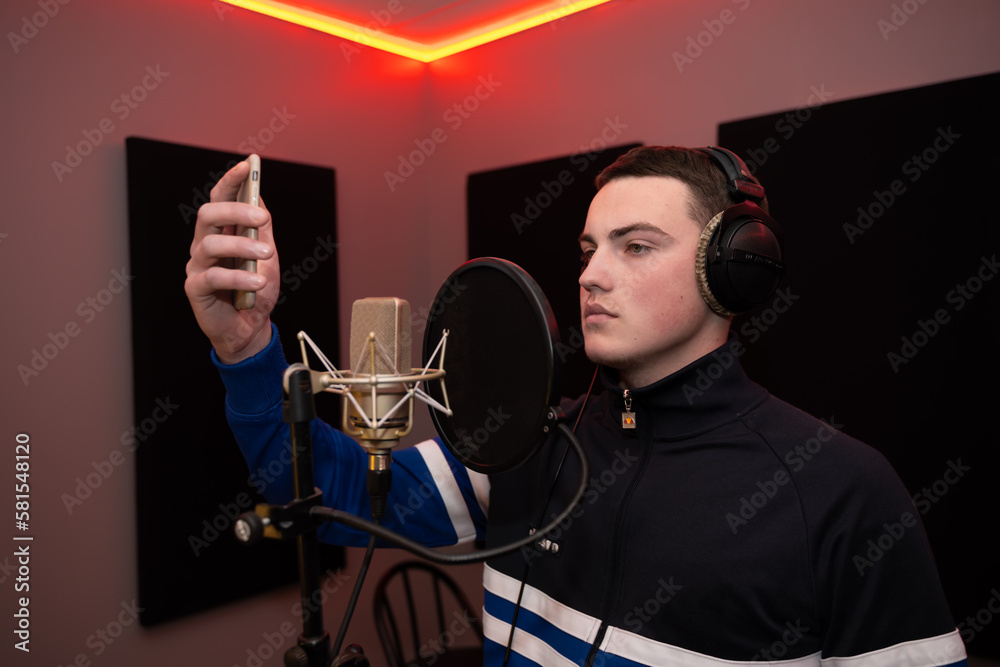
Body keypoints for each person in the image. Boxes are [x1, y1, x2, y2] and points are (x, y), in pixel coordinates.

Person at [185, 146, 968, 666]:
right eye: (589, 250)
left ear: (735, 270)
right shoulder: (529, 440)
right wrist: (246, 348)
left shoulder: (842, 494)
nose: (591, 276)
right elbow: (328, 491)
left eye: (636, 246)